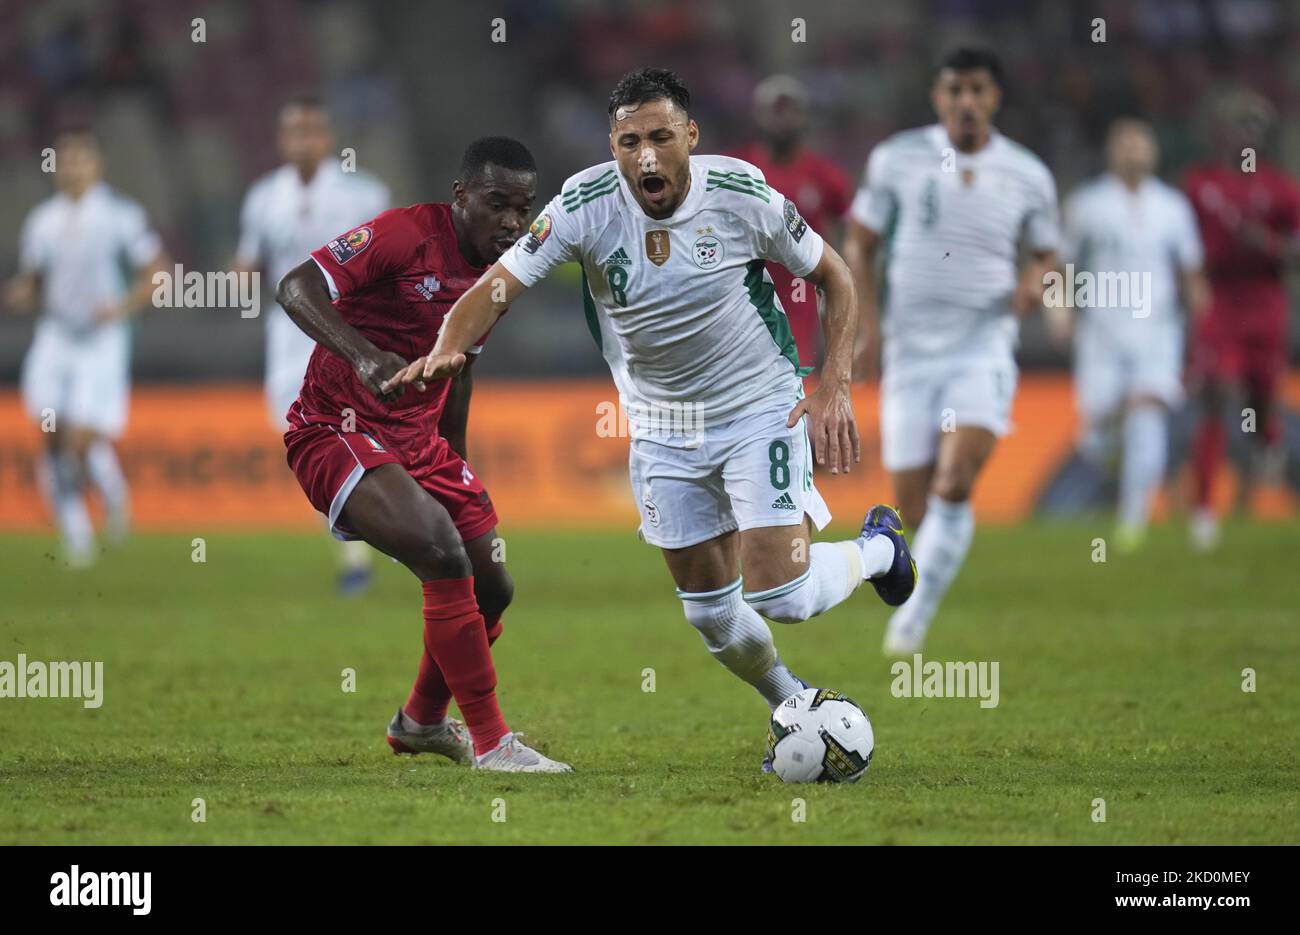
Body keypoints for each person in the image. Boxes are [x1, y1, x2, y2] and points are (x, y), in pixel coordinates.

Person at [386, 68, 916, 773]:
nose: (645, 157)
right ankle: (795, 705)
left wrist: (834, 384)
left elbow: (836, 276)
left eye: (661, 137)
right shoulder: (583, 205)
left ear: (690, 137)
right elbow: (495, 287)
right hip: (662, 427)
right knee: (711, 616)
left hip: (758, 403)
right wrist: (449, 345)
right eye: (630, 140)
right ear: (612, 144)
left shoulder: (741, 194)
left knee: (780, 592)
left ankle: (880, 548)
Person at [275, 137, 570, 773]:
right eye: (498, 205)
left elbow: (462, 368)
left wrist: (456, 460)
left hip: (421, 443)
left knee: (493, 586)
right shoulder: (401, 233)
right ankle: (493, 745)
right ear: (461, 196)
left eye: (524, 208)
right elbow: (294, 287)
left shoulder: (502, 274)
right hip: (335, 427)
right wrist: (361, 354)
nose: (513, 223)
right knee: (441, 552)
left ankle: (421, 722)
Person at [842, 48, 1060, 655]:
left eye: (978, 90)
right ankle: (918, 589)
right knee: (914, 507)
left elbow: (1047, 255)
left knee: (956, 477)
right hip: (911, 354)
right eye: (954, 90)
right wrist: (868, 329)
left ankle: (913, 620)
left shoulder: (1028, 174)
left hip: (982, 346)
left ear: (996, 98)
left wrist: (1034, 284)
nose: (966, 101)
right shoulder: (897, 159)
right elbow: (859, 245)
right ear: (938, 99)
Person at [235, 95, 390, 593]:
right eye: (294, 131)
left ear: (327, 138)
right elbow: (246, 262)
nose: (303, 140)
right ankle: (357, 535)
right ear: (282, 140)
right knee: (303, 437)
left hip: (347, 330)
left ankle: (358, 554)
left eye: (312, 131)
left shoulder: (365, 193)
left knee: (352, 431)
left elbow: (391, 261)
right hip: (286, 334)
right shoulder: (262, 198)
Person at [6, 127, 167, 567]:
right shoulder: (41, 221)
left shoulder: (120, 215)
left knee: (80, 439)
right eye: (65, 159)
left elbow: (158, 274)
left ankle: (111, 494)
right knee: (51, 434)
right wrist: (22, 292)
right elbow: (35, 281)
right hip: (56, 336)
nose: (72, 168)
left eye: (81, 159)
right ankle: (76, 531)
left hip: (102, 340)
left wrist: (121, 306)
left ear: (97, 164)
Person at [1055, 118, 1208, 551]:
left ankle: (1132, 522)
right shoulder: (1087, 203)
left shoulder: (1173, 207)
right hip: (1101, 332)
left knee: (1147, 419)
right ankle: (1119, 482)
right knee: (1098, 433)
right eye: (1125, 143)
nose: (1133, 151)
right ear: (1110, 151)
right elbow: (1062, 263)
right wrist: (1058, 312)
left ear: (1154, 150)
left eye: (1141, 143)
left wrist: (1200, 314)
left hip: (1157, 333)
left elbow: (1190, 270)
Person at [1183, 91, 1300, 551]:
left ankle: (1267, 446)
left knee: (1261, 400)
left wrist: (1269, 246)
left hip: (1266, 303)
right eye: (1240, 125)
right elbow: (1180, 241)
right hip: (1220, 301)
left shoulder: (1282, 189)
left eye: (1255, 127)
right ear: (1222, 133)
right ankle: (1205, 509)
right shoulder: (1200, 184)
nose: (1247, 135)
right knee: (1218, 395)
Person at [731, 75, 852, 371]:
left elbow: (846, 235)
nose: (782, 119)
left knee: (794, 376)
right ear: (759, 115)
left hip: (802, 297)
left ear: (803, 116)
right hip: (745, 292)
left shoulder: (826, 177)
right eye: (775, 110)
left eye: (790, 110)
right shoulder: (736, 172)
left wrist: (838, 296)